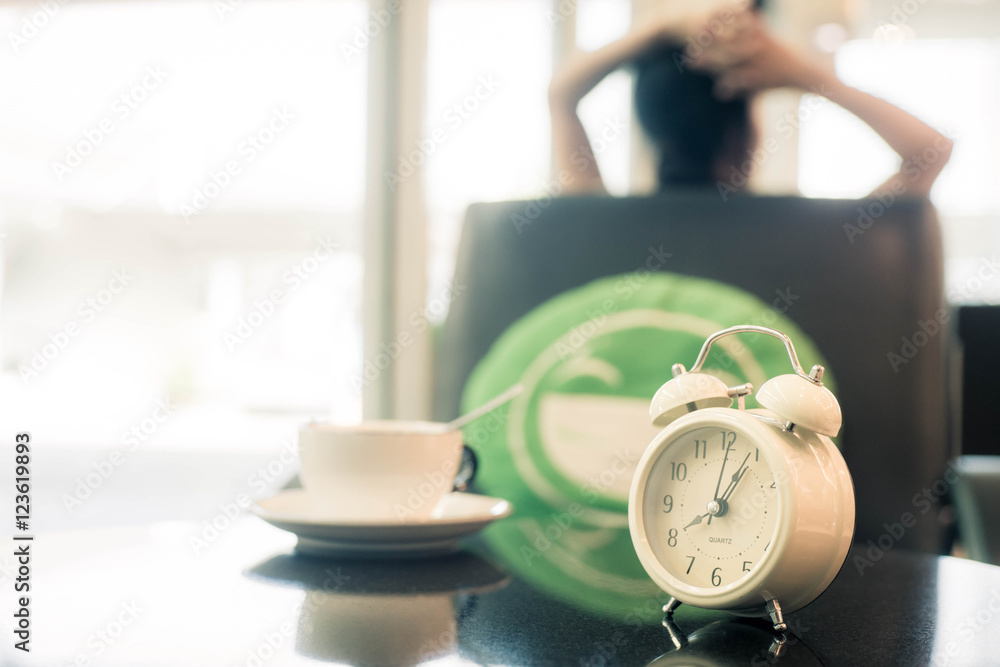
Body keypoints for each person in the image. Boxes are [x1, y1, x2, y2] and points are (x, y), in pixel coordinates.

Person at [548, 5, 953, 197]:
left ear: (649, 124)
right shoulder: (805, 236)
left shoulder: (599, 230)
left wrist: (660, 27)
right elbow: (930, 153)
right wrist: (808, 76)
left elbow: (561, 95)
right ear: (744, 137)